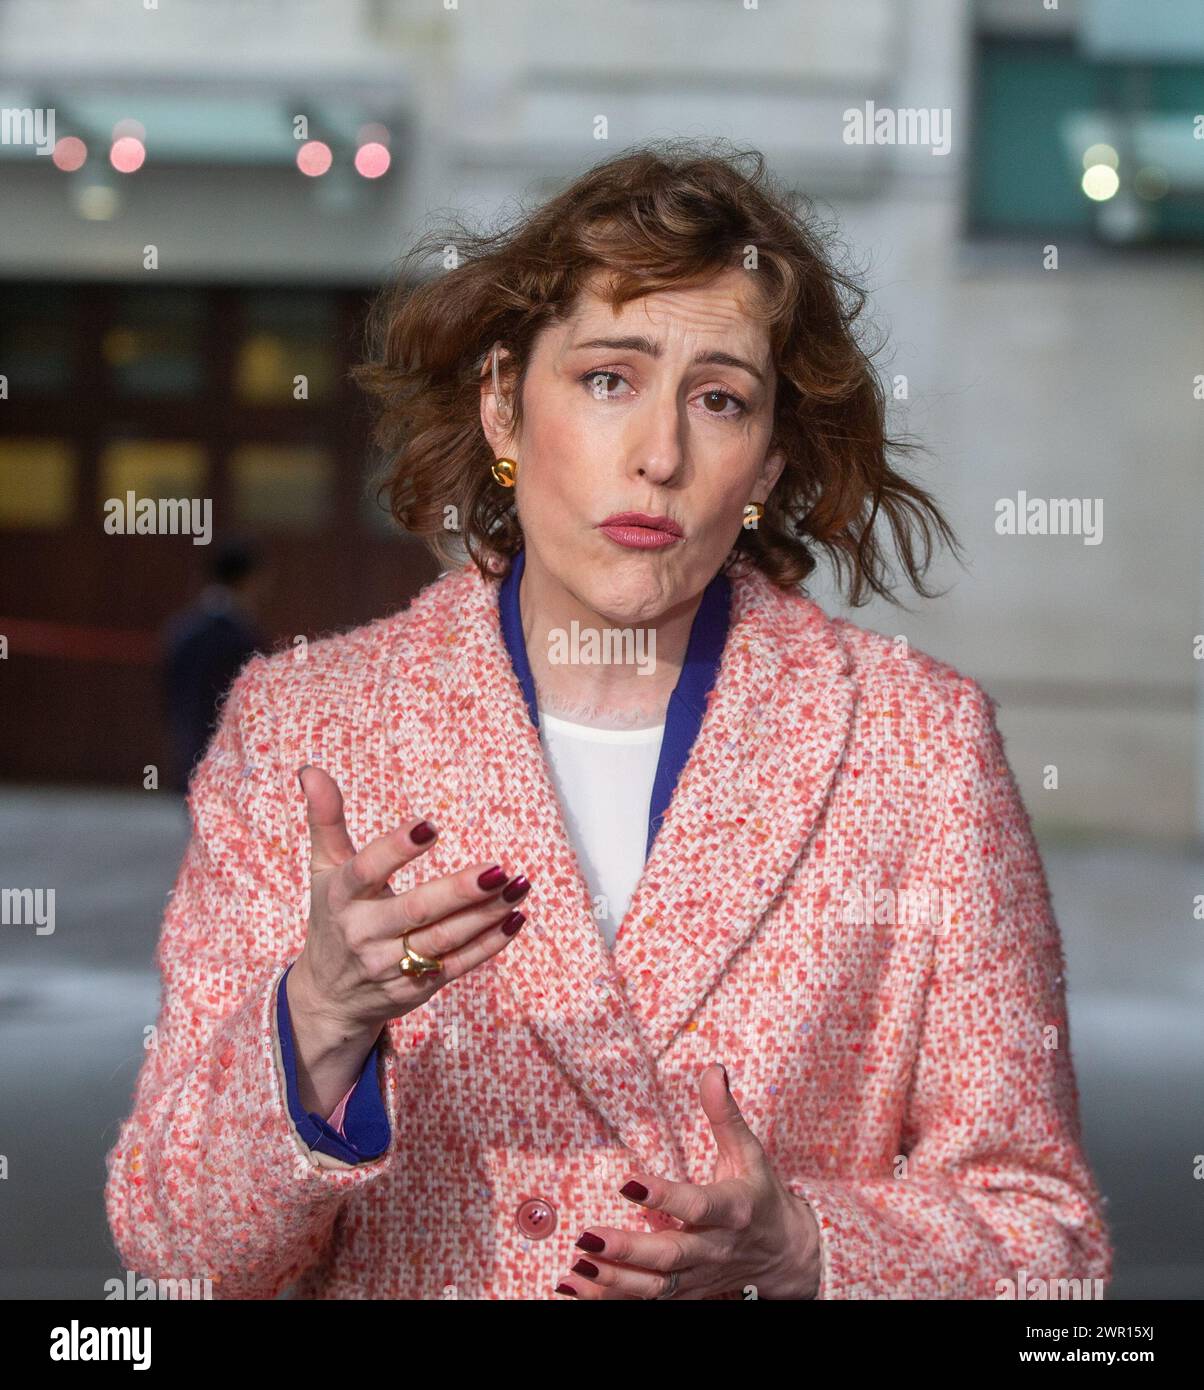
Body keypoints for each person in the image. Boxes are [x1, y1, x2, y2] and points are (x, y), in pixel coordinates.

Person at [104, 140, 1112, 1300]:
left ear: (768, 463)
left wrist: (808, 1252)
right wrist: (317, 1021)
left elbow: (1051, 1249)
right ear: (501, 407)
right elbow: (177, 1251)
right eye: (606, 379)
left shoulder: (919, 745)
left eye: (719, 399)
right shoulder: (305, 729)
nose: (659, 454)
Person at [160, 537, 268, 795]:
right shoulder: (241, 636)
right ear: (250, 578)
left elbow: (168, 692)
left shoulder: (183, 630)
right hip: (228, 754)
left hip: (189, 747)